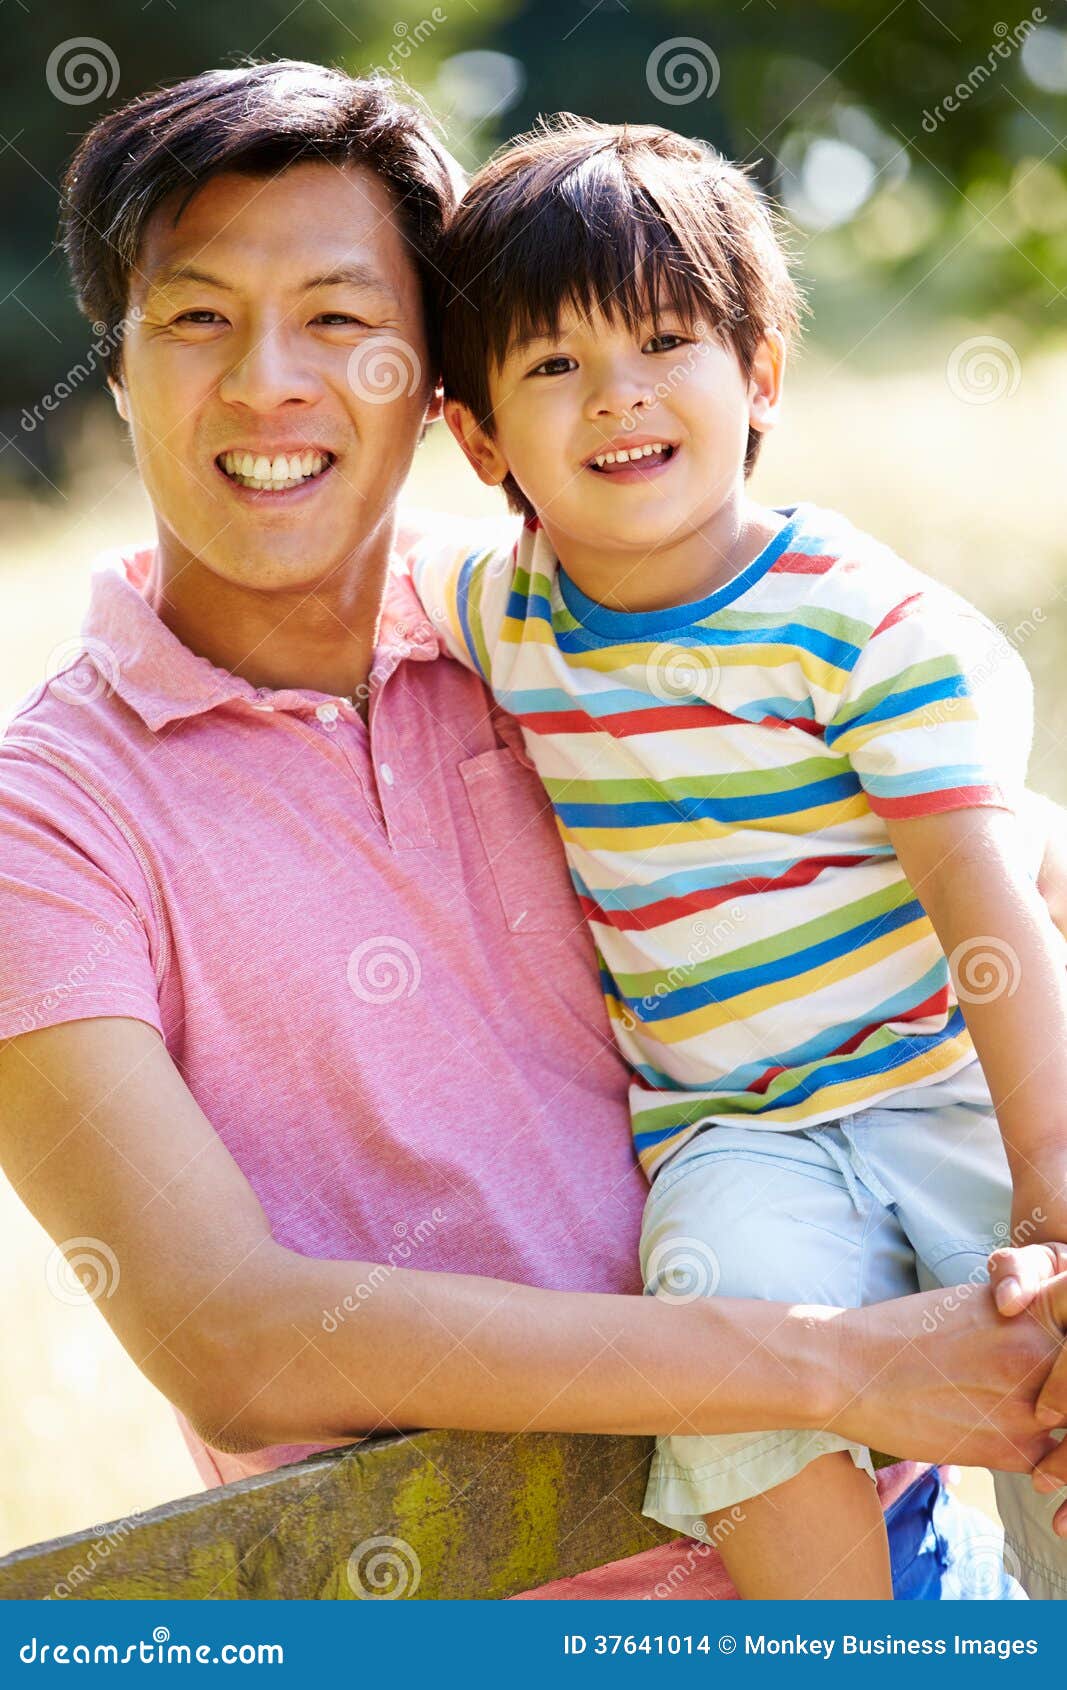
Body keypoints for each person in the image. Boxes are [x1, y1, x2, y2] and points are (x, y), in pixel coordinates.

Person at [0, 63, 1065, 1604]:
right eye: (197, 316)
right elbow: (231, 1342)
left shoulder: (574, 619)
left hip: (905, 1551)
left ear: (435, 383)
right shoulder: (50, 822)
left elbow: (993, 848)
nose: (268, 381)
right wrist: (836, 1368)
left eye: (342, 318)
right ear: (116, 365)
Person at [409, 114, 1067, 1599]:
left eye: (663, 341)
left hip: (943, 1080)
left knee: (1055, 1332)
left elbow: (987, 902)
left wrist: (1052, 1186)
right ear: (478, 434)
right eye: (553, 365)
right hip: (737, 1133)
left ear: (760, 372)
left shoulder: (858, 622)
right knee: (724, 1334)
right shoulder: (501, 613)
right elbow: (348, 562)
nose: (617, 397)